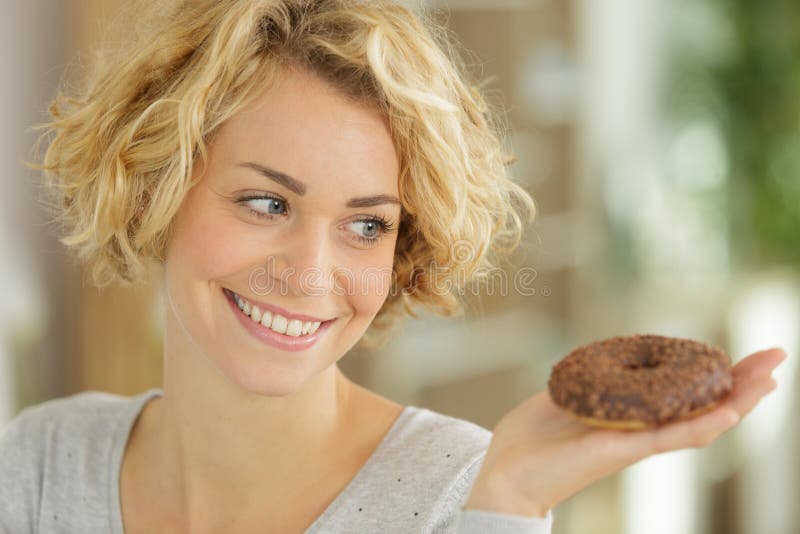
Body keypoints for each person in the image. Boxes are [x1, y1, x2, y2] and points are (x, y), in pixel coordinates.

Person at [0, 1, 786, 533]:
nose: (312, 274)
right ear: (152, 192)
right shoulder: (38, 466)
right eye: (266, 203)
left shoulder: (466, 493)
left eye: (366, 224)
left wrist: (503, 506)